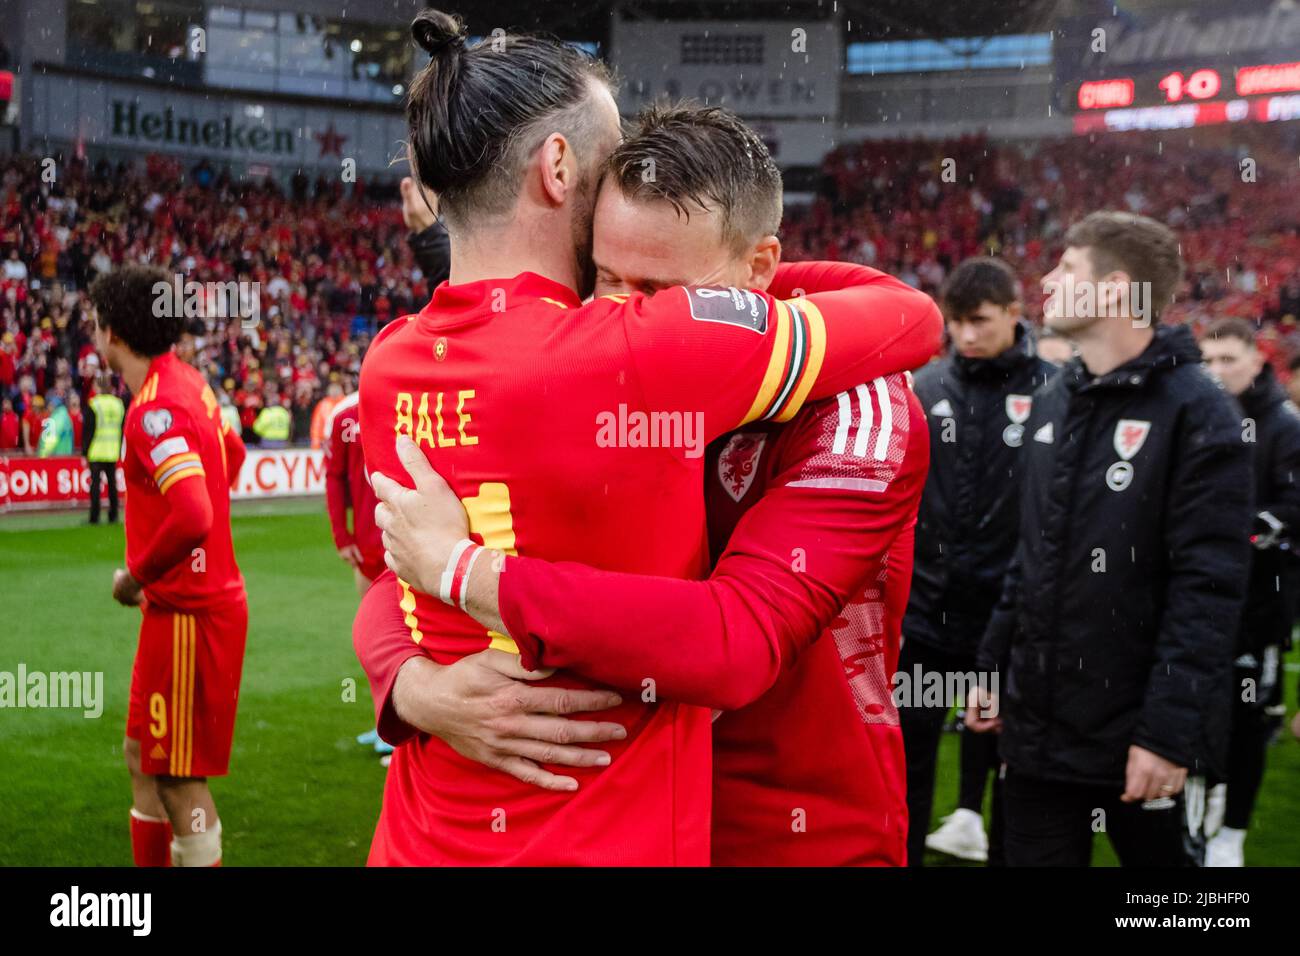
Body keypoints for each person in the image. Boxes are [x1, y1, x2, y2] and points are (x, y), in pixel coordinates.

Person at [352, 10, 940, 866]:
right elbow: (395, 580)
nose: (621, 309)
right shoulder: (620, 354)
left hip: (791, 836)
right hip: (628, 830)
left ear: (756, 273)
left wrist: (467, 576)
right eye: (604, 273)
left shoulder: (854, 411)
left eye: (658, 289)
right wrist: (418, 684)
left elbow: (734, 640)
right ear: (560, 170)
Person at [967, 211, 1252, 867]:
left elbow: (1206, 589)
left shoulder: (1198, 412)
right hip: (1035, 733)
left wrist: (1167, 735)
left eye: (1066, 268)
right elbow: (1029, 556)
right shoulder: (1052, 399)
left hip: (1133, 740)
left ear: (1115, 287)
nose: (1046, 279)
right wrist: (991, 664)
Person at [89, 264, 248, 868]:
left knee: (180, 781)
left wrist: (137, 577)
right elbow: (229, 456)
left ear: (114, 335)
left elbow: (190, 513)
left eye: (97, 322)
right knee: (142, 756)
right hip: (182, 609)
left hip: (189, 615)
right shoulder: (189, 383)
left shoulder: (154, 409)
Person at [901, 257, 1056, 866]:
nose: (966, 335)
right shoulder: (927, 386)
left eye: (979, 321)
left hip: (1009, 621)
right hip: (926, 617)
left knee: (1011, 768)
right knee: (907, 763)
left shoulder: (1053, 391)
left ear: (1014, 315)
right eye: (955, 322)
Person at [1199, 318, 1300, 866]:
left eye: (1229, 360)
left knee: (1247, 719)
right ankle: (1203, 806)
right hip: (1199, 598)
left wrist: (1244, 531)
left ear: (1257, 361)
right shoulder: (1198, 417)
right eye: (1208, 361)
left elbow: (1294, 509)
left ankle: (1233, 832)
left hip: (1258, 604)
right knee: (1194, 707)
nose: (1217, 373)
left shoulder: (1285, 427)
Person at [323, 388, 393, 760]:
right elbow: (334, 476)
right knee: (375, 642)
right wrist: (341, 534)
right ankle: (385, 724)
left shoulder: (412, 398)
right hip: (368, 547)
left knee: (411, 641)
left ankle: (405, 737)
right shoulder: (346, 414)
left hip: (407, 544)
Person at [85, 377, 125, 525]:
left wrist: (85, 451)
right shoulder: (118, 404)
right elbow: (122, 427)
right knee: (112, 485)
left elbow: (88, 430)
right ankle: (113, 515)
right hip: (113, 449)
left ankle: (94, 517)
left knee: (95, 485)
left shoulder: (95, 404)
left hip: (96, 450)